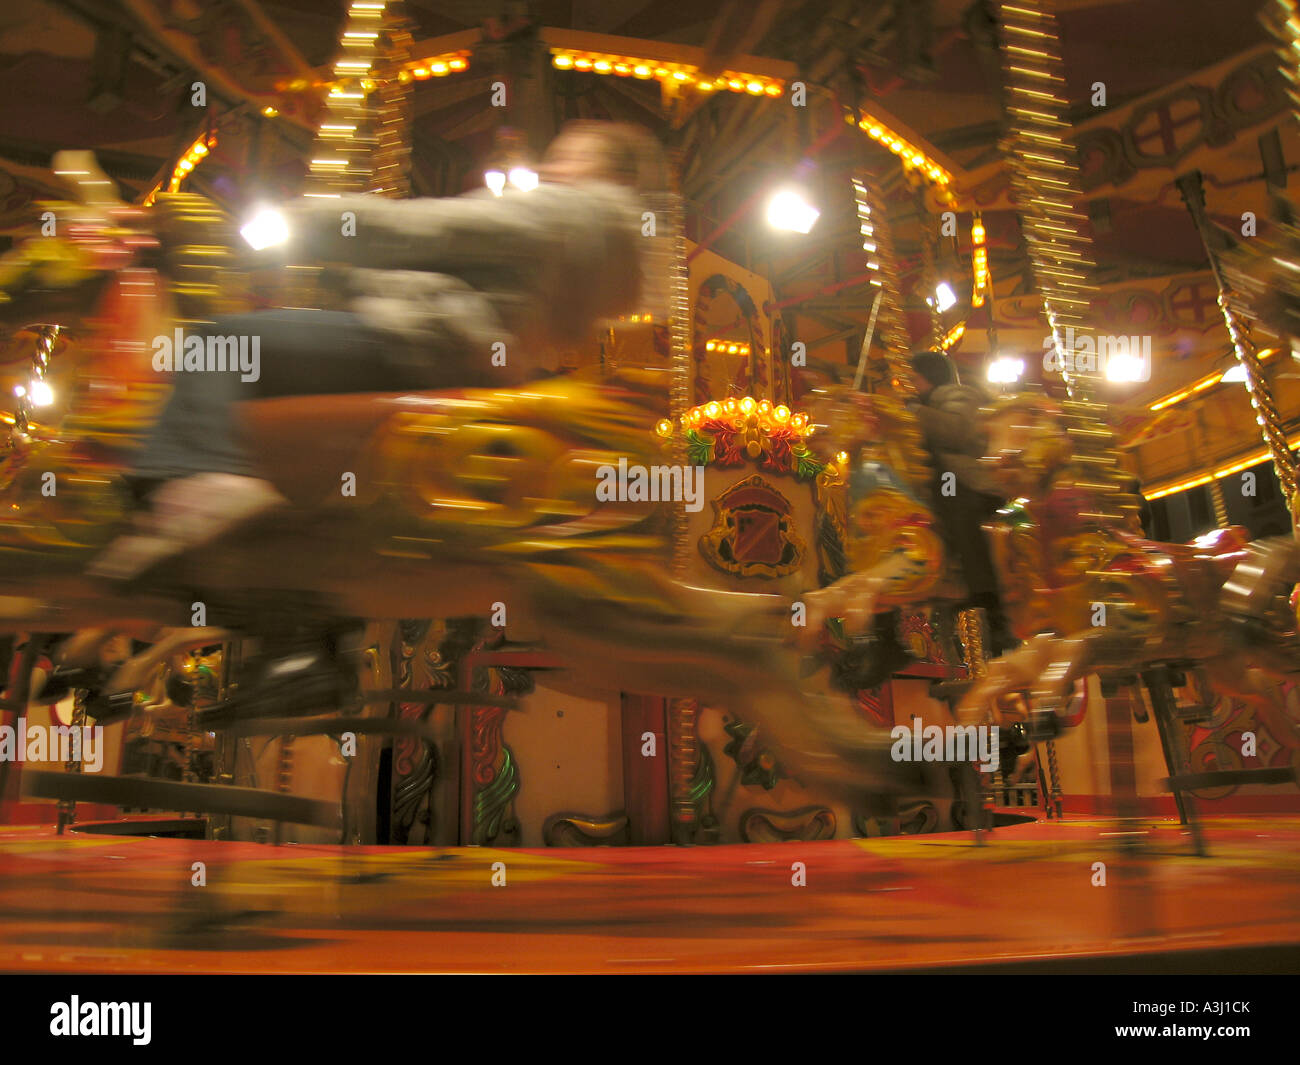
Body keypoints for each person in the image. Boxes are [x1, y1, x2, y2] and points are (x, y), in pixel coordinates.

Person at [90, 121, 667, 582]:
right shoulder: (609, 252)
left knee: (219, 343)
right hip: (484, 362)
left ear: (605, 171)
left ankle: (195, 486)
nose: (550, 168)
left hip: (422, 340)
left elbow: (425, 230)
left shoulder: (562, 211)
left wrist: (302, 222)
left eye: (570, 157)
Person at [906, 349, 1016, 654]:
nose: (910, 386)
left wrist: (915, 412)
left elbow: (958, 432)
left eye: (913, 379)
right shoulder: (927, 404)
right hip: (937, 482)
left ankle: (986, 598)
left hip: (967, 480)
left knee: (958, 512)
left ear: (929, 377)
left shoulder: (958, 395)